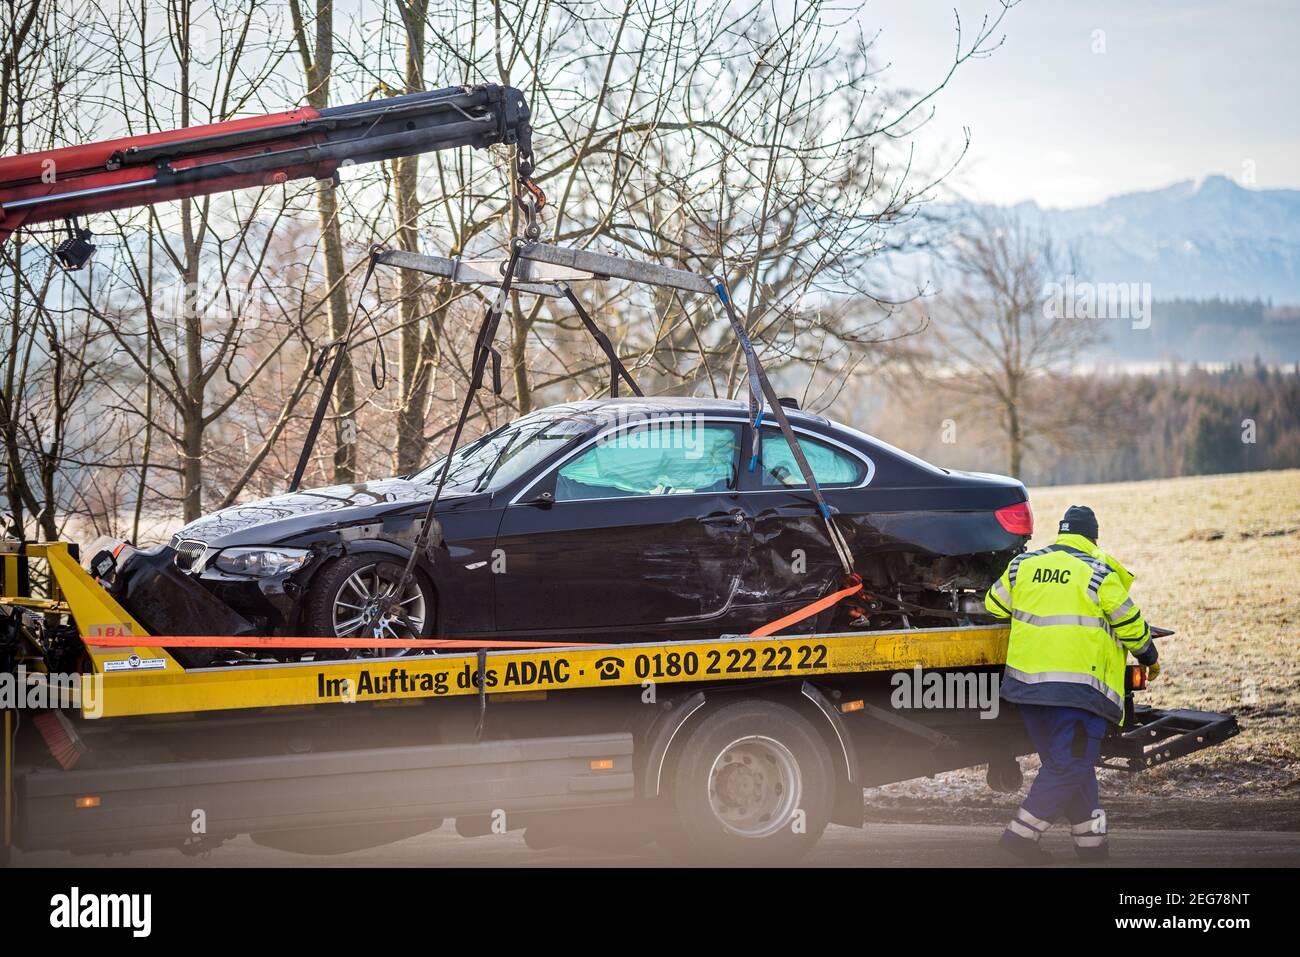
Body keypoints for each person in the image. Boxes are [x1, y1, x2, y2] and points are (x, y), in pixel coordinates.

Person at [984, 505, 1160, 863]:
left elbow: (994, 604)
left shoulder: (1023, 566)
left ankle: (1091, 845)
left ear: (1062, 532)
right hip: (1078, 692)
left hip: (1029, 691)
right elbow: (1130, 625)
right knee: (1070, 766)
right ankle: (1020, 836)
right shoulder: (1099, 571)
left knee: (1068, 765)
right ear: (1093, 536)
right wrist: (1149, 657)